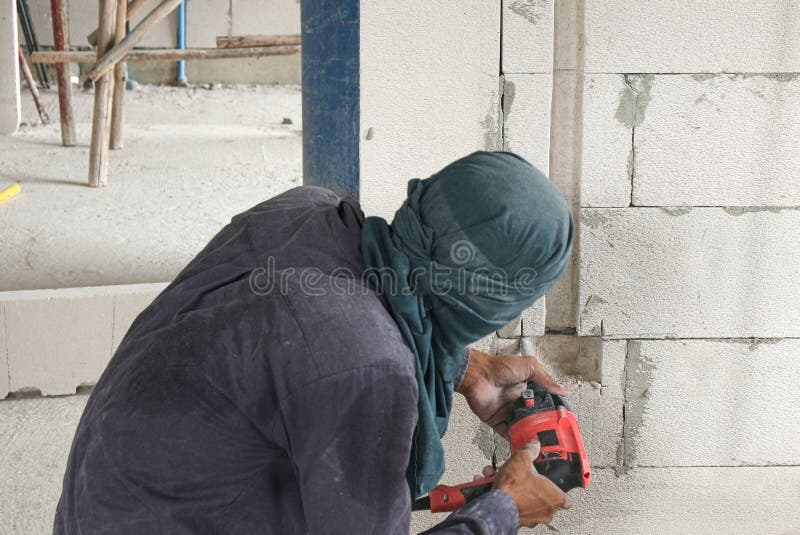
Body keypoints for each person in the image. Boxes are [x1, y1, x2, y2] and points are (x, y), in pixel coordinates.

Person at [54, 151, 575, 534]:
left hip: (107, 504)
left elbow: (314, 334)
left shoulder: (308, 210)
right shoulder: (369, 369)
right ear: (489, 300)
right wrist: (501, 510)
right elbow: (340, 353)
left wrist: (461, 366)